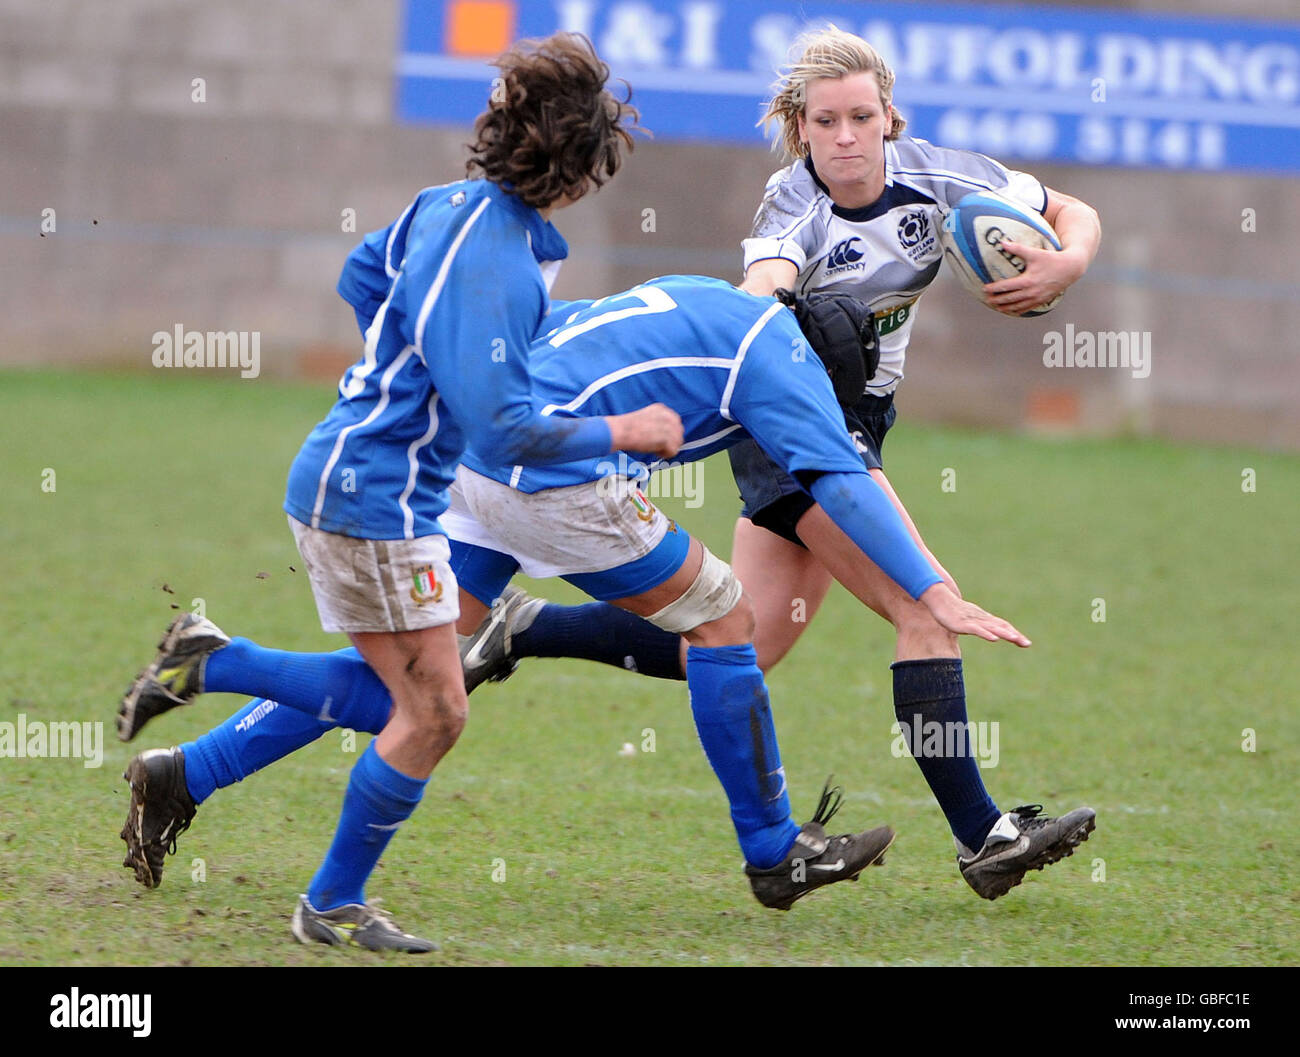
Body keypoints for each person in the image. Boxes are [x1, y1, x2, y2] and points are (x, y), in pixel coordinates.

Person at [115, 276, 1031, 918]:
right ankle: (773, 848)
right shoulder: (788, 360)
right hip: (551, 474)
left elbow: (562, 332)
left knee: (412, 687)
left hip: (479, 455)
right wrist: (933, 588)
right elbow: (842, 479)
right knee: (724, 619)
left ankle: (197, 735)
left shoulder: (710, 298)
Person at [457, 26, 1101, 901]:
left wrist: (1068, 259)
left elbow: (1072, 209)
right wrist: (771, 324)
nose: (844, 136)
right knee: (925, 607)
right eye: (825, 121)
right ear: (800, 129)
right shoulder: (790, 205)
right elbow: (760, 297)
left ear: (888, 118)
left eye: (861, 117)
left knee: (741, 642)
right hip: (791, 425)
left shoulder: (941, 176)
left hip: (859, 416)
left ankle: (530, 628)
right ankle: (984, 836)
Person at [117, 32, 683, 953]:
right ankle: (322, 882)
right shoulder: (500, 264)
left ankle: (210, 685)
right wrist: (627, 430)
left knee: (409, 701)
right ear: (578, 171)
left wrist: (394, 374)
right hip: (372, 499)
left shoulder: (446, 204)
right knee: (436, 709)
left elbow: (360, 276)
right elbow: (505, 432)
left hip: (370, 483)